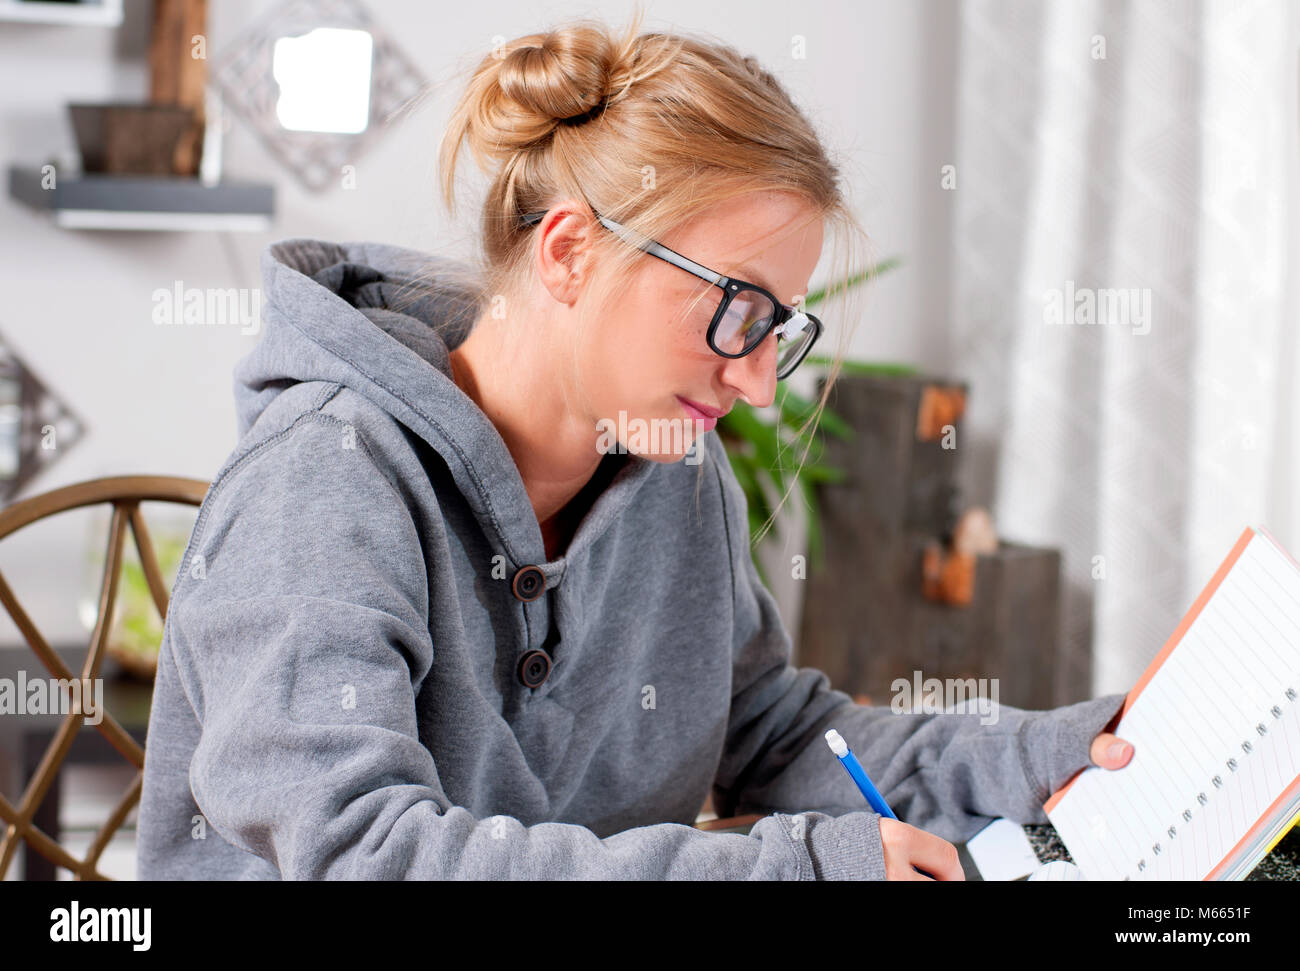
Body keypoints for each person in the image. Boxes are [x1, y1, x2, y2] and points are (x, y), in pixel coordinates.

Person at [137, 14, 1133, 881]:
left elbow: (776, 733)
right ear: (570, 252)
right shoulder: (326, 480)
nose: (751, 382)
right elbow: (363, 852)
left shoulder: (673, 472)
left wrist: (1042, 753)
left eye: (774, 328)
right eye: (732, 309)